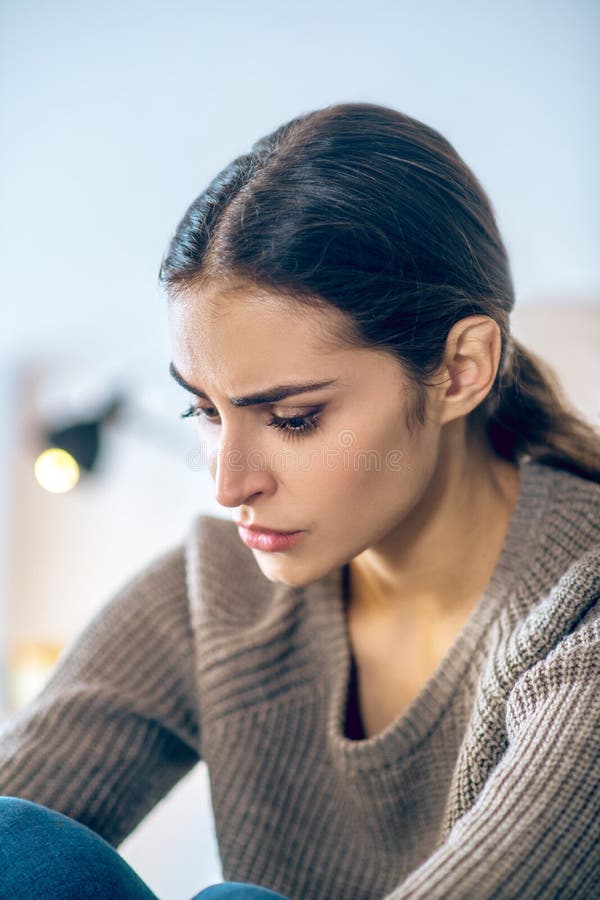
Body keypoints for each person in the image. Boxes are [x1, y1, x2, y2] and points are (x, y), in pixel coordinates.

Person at [1, 102, 599, 900]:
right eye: (205, 411)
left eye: (294, 418)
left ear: (461, 369)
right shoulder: (215, 593)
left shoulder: (579, 614)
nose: (227, 484)